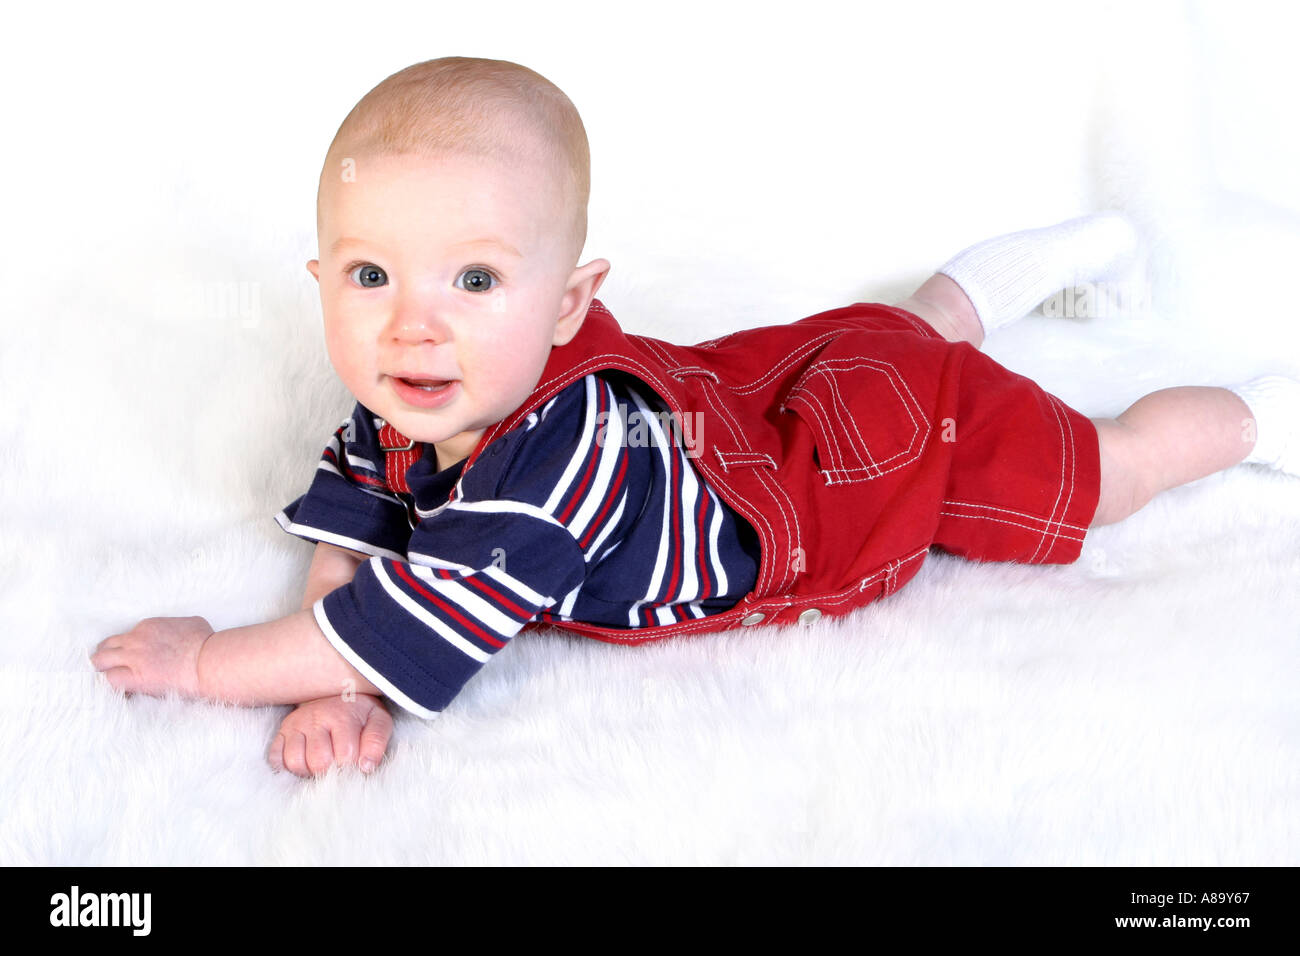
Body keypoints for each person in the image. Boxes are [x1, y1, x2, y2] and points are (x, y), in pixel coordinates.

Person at [91, 57, 1299, 778]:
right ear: (321, 283)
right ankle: (1085, 249)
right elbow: (355, 553)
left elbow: (389, 621)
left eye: (472, 281)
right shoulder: (407, 398)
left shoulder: (545, 468)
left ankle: (1257, 418)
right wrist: (337, 685)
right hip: (782, 386)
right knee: (903, 333)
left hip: (862, 473)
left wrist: (208, 661)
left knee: (1102, 468)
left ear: (570, 304)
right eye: (370, 278)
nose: (413, 325)